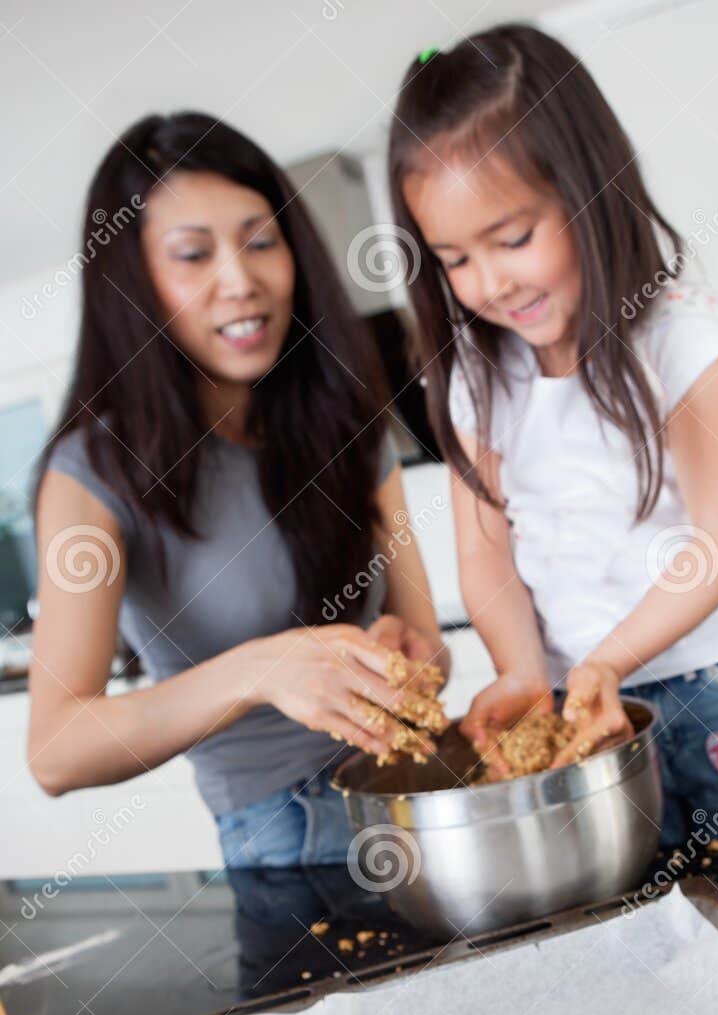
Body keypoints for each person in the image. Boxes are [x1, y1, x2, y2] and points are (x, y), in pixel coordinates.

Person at [387, 25, 718, 852]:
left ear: (589, 188)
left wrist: (609, 659)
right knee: (629, 931)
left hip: (714, 684)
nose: (491, 282)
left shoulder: (673, 338)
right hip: (573, 699)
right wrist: (517, 669)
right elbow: (485, 555)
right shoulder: (474, 375)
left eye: (512, 239)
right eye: (454, 259)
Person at [30, 113, 445, 868]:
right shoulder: (90, 473)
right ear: (133, 284)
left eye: (261, 241)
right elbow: (56, 752)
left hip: (414, 790)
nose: (240, 280)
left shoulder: (346, 419)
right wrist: (262, 671)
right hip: (280, 837)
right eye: (194, 255)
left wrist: (402, 657)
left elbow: (426, 643)